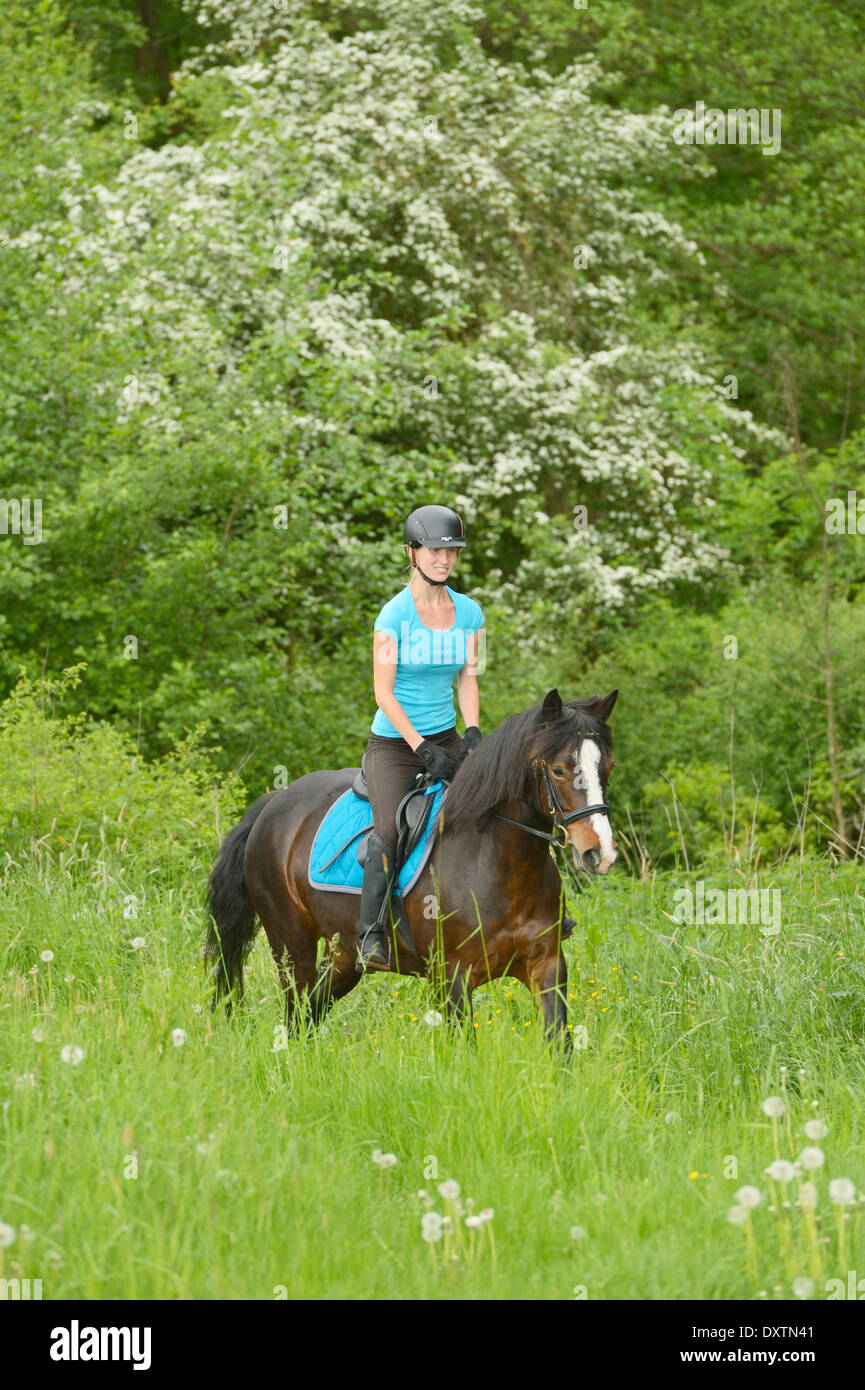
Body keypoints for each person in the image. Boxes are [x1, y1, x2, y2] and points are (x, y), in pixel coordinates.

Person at [357, 504, 485, 970]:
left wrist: (471, 731)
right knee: (389, 830)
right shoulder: (392, 617)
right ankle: (371, 932)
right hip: (395, 744)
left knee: (500, 798)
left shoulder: (471, 612)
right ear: (411, 553)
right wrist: (419, 747)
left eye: (451, 552)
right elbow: (382, 692)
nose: (444, 560)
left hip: (447, 736)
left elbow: (469, 677)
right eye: (434, 550)